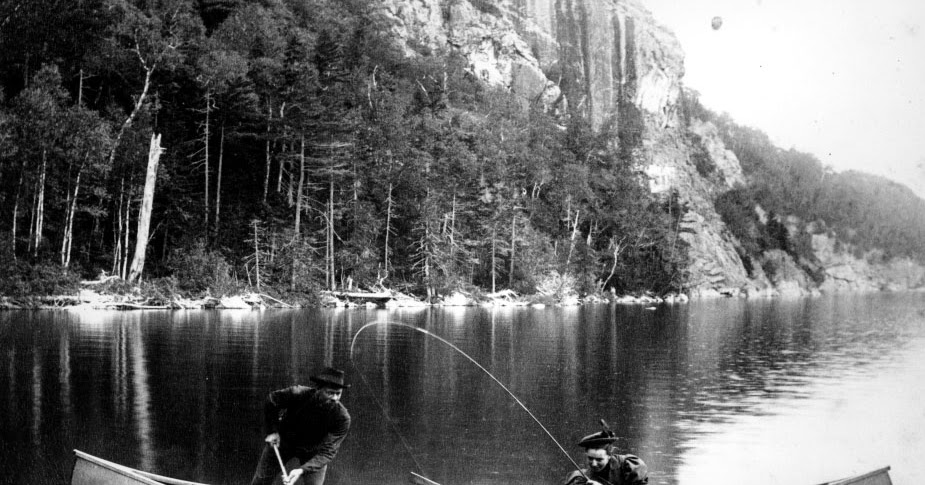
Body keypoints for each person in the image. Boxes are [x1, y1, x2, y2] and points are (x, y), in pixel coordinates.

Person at [250, 367, 351, 485]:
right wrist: (272, 431)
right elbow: (271, 401)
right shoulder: (297, 394)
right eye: (330, 393)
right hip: (283, 442)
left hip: (313, 452)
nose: (335, 398)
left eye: (338, 394)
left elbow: (328, 453)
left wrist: (301, 470)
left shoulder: (342, 418)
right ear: (318, 389)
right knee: (260, 481)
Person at [563, 422, 648, 485]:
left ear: (610, 455)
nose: (594, 464)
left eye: (599, 459)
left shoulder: (629, 466)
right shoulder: (579, 478)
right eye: (590, 458)